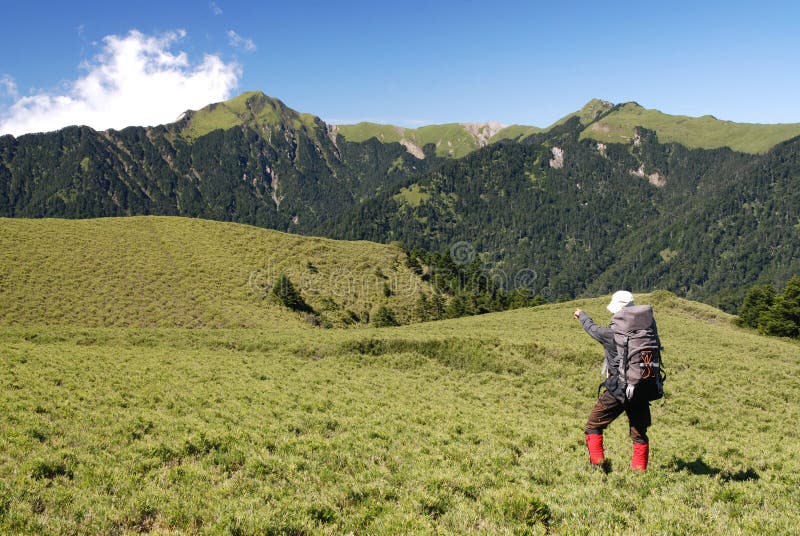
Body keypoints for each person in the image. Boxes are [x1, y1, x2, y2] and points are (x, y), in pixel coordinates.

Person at [573, 290, 651, 472]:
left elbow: (592, 329)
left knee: (593, 425)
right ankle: (639, 473)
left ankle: (598, 468)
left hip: (618, 389)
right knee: (639, 433)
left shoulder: (612, 335)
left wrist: (582, 315)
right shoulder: (645, 334)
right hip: (640, 388)